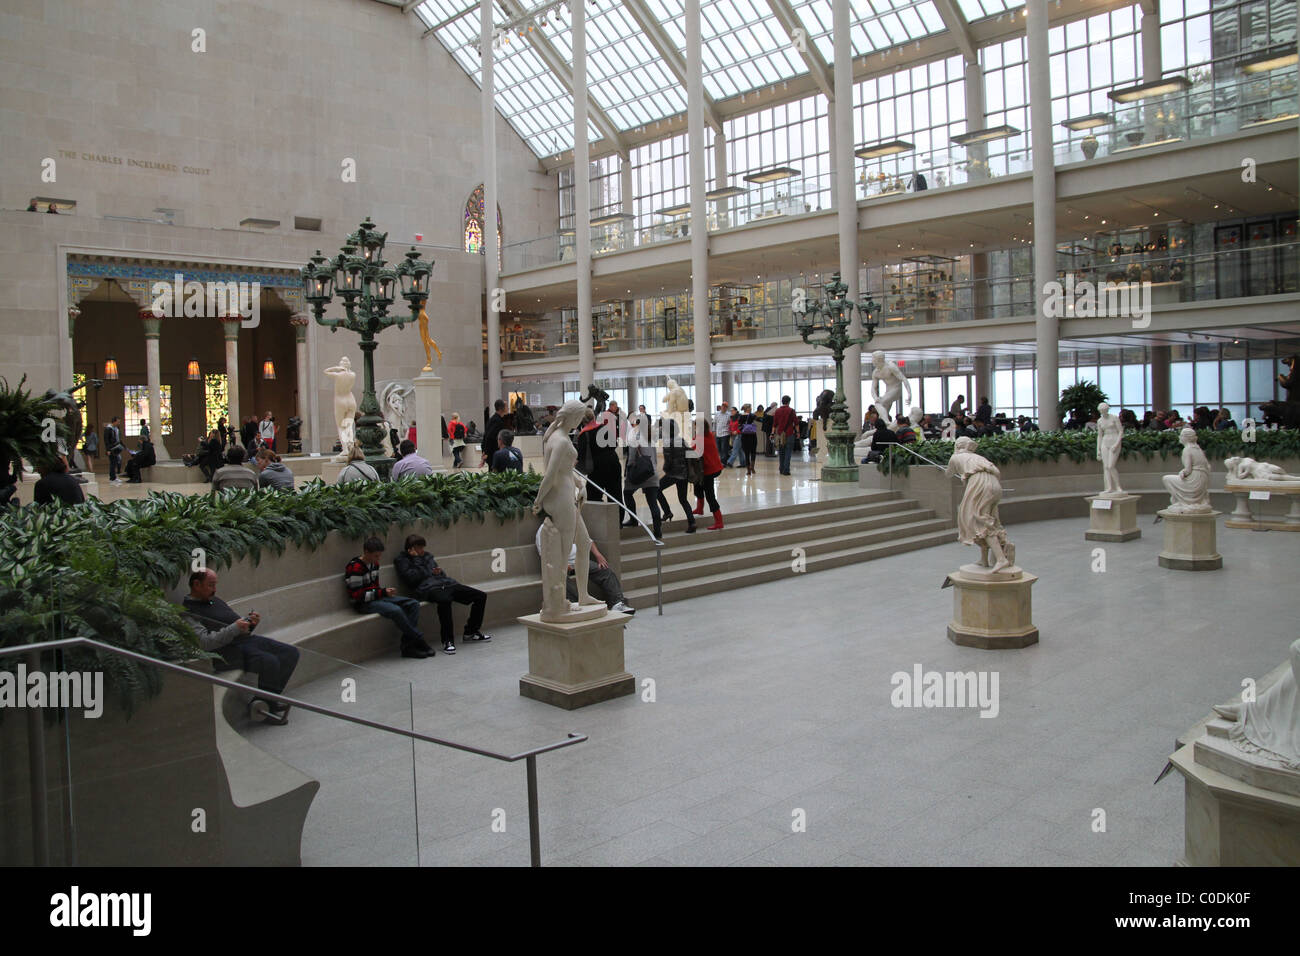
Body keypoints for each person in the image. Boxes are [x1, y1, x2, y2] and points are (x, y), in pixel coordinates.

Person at [182, 569, 299, 724]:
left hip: (243, 641)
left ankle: (265, 701)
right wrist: (235, 628)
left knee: (290, 653)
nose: (214, 589)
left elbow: (235, 626)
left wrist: (250, 624)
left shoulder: (213, 600)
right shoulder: (188, 612)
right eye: (211, 585)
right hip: (226, 652)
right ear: (196, 585)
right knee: (269, 661)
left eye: (215, 585)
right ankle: (266, 707)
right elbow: (205, 642)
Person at [394, 534, 491, 654]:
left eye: (422, 547)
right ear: (411, 549)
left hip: (446, 583)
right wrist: (416, 559)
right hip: (427, 589)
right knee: (445, 601)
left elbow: (441, 574)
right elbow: (412, 580)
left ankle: (471, 632)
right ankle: (447, 641)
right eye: (419, 548)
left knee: (480, 596)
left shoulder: (428, 556)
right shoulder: (402, 560)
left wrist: (438, 572)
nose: (422, 551)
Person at [345, 536, 436, 658]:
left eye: (379, 556)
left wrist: (384, 592)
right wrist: (382, 593)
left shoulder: (374, 564)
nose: (378, 559)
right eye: (375, 556)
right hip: (363, 604)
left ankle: (408, 646)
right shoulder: (355, 567)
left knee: (413, 603)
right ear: (366, 552)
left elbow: (375, 587)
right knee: (396, 610)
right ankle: (419, 639)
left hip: (377, 598)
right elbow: (357, 596)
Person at [533, 525, 634, 614]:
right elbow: (545, 554)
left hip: (581, 561)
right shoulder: (545, 529)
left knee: (604, 570)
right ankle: (576, 606)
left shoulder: (572, 522)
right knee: (560, 580)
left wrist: (598, 555)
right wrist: (562, 564)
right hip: (559, 565)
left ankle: (617, 604)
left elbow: (587, 540)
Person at [622, 423, 662, 536]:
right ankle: (658, 530)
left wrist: (628, 471)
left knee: (627, 493)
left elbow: (631, 458)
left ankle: (633, 520)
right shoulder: (651, 440)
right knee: (653, 502)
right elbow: (654, 458)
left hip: (639, 472)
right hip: (651, 472)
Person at [772, 395, 798, 476]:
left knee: (781, 452)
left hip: (780, 434)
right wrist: (798, 432)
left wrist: (772, 433)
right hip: (789, 433)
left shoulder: (777, 411)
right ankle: (786, 470)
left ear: (782, 401)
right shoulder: (791, 411)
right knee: (788, 452)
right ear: (789, 402)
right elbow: (796, 423)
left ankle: (781, 468)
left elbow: (774, 424)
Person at [481, 399, 507, 467]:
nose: (508, 408)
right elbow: (489, 437)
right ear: (501, 408)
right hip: (493, 453)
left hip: (493, 453)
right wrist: (486, 452)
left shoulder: (494, 419)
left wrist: (485, 451)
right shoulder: (497, 421)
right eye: (506, 406)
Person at [738, 404, 759, 475]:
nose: (751, 409)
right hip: (752, 435)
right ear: (747, 409)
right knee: (753, 452)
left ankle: (748, 470)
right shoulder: (752, 415)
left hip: (744, 436)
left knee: (746, 453)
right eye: (750, 408)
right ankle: (752, 467)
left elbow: (739, 426)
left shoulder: (740, 416)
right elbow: (760, 419)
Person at [104, 417, 123, 482]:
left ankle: (114, 476)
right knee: (113, 462)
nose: (118, 423)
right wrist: (108, 449)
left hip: (116, 447)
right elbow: (106, 440)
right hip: (111, 448)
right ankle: (112, 478)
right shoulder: (108, 429)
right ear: (114, 422)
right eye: (118, 422)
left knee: (116, 461)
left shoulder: (116, 429)